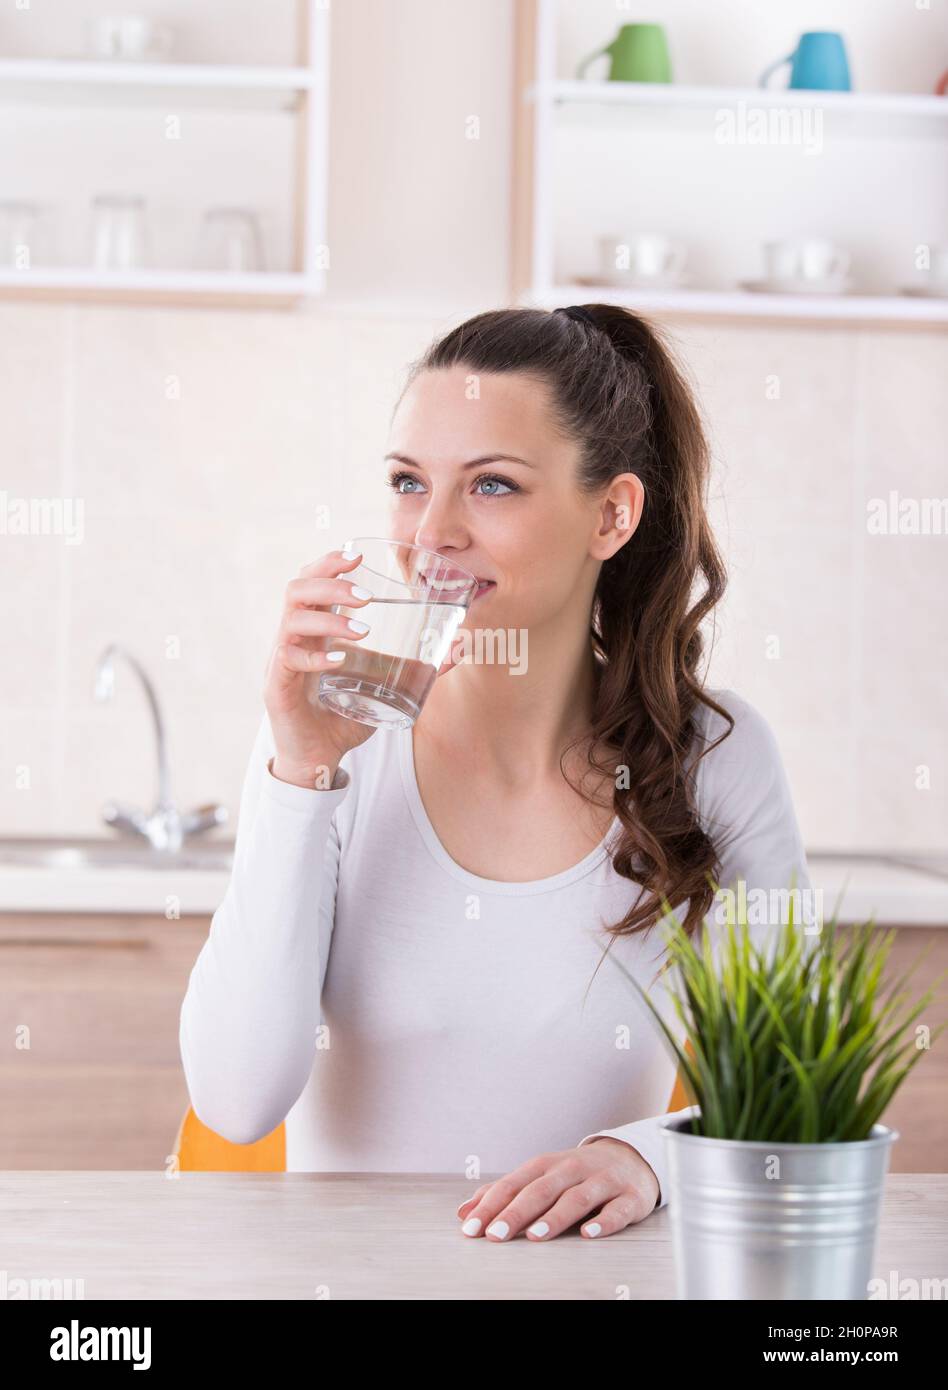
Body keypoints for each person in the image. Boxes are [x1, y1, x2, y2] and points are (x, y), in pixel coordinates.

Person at [179, 304, 811, 1243]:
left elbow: (792, 1101)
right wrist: (298, 773)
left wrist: (649, 1156)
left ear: (611, 514)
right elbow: (235, 1103)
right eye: (408, 482)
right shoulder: (329, 748)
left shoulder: (714, 754)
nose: (430, 533)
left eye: (493, 487)